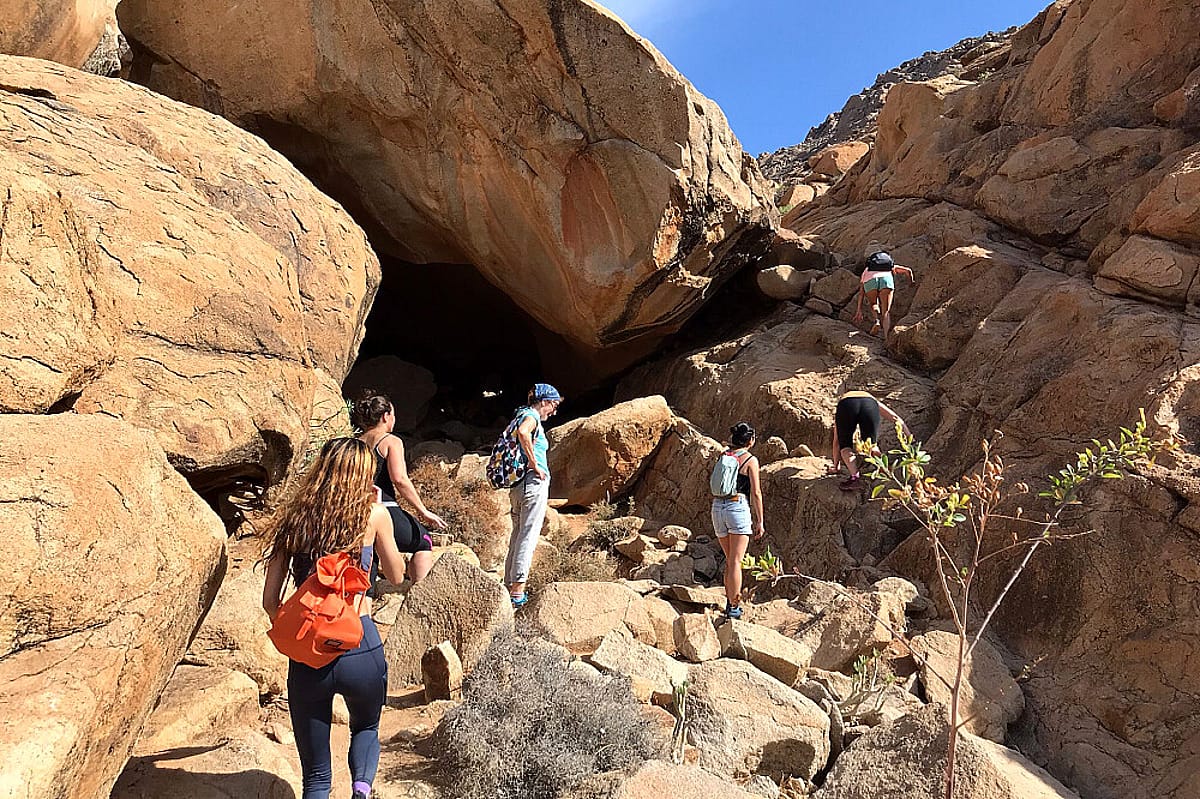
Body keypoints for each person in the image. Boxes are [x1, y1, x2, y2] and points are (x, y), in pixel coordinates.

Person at [261, 438, 410, 799]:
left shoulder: (293, 516)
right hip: (360, 642)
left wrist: (304, 622)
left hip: (309, 654)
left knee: (315, 776)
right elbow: (396, 575)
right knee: (366, 727)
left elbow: (270, 601)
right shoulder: (373, 516)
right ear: (364, 475)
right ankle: (361, 788)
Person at [353, 395, 446, 587]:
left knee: (370, 558)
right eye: (393, 414)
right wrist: (423, 511)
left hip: (358, 510)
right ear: (386, 416)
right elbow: (399, 479)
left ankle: (366, 606)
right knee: (423, 541)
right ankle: (420, 597)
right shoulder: (390, 441)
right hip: (384, 509)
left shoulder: (355, 442)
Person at [504, 383, 562, 607]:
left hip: (517, 486)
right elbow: (523, 433)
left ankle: (508, 586)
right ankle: (517, 592)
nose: (554, 411)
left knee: (517, 535)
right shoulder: (531, 417)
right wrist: (534, 464)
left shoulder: (519, 414)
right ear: (544, 402)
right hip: (531, 483)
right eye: (553, 405)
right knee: (528, 536)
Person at [711, 422, 765, 620]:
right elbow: (756, 493)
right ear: (750, 440)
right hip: (737, 507)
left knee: (730, 560)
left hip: (717, 508)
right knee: (736, 561)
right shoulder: (750, 460)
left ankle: (729, 600)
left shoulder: (724, 456)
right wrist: (760, 521)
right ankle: (734, 606)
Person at [827, 390, 911, 490]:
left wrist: (836, 467)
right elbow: (896, 418)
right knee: (872, 444)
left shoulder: (843, 401)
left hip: (847, 405)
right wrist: (910, 439)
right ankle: (884, 469)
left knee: (845, 446)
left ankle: (855, 478)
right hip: (869, 404)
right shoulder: (872, 399)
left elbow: (837, 441)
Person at [854, 244, 914, 339]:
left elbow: (861, 292)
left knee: (873, 304)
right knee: (886, 311)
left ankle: (877, 321)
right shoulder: (889, 266)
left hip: (870, 280)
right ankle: (886, 337)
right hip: (886, 280)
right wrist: (911, 282)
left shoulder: (867, 269)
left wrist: (859, 310)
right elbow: (908, 270)